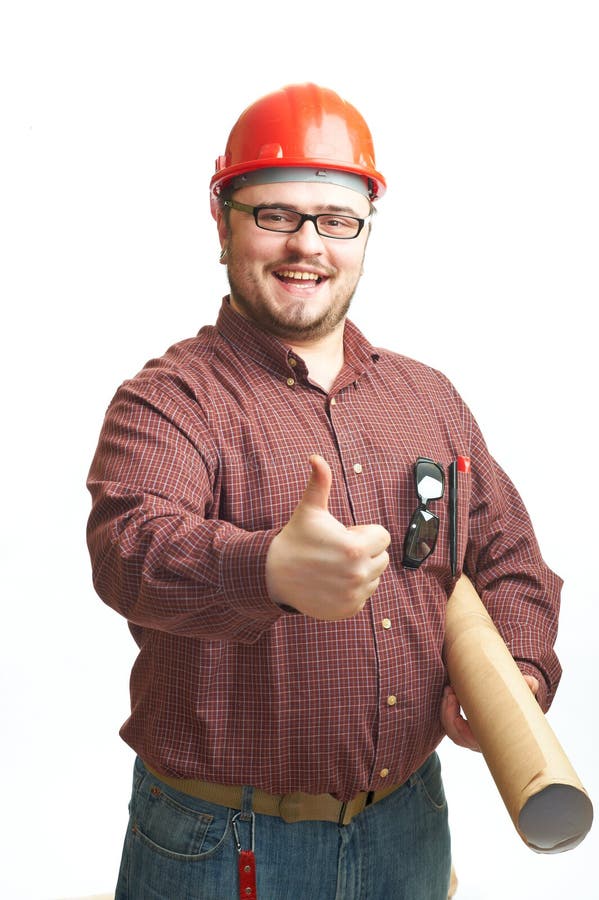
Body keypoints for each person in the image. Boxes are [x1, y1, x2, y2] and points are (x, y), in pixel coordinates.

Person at [86, 82, 562, 900]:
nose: (306, 244)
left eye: (335, 220)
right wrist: (267, 568)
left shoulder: (428, 399)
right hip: (223, 842)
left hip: (407, 826)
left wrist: (512, 675)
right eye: (275, 214)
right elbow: (130, 550)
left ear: (365, 231)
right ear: (222, 221)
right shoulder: (169, 400)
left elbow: (508, 557)